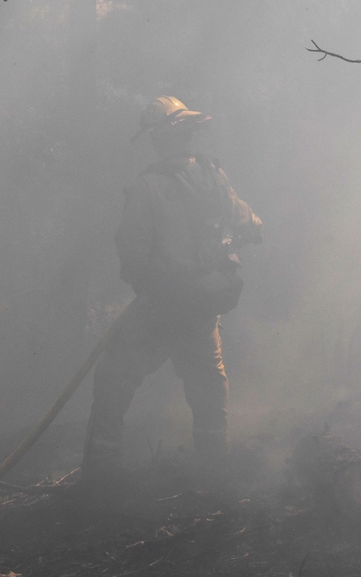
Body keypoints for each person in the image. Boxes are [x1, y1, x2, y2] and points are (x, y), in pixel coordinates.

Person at [81, 96, 262, 485]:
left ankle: (100, 477)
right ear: (189, 132)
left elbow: (131, 255)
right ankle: (214, 471)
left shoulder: (147, 187)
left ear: (157, 140)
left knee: (115, 379)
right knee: (208, 385)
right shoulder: (214, 175)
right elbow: (251, 225)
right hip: (205, 306)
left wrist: (151, 281)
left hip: (163, 307)